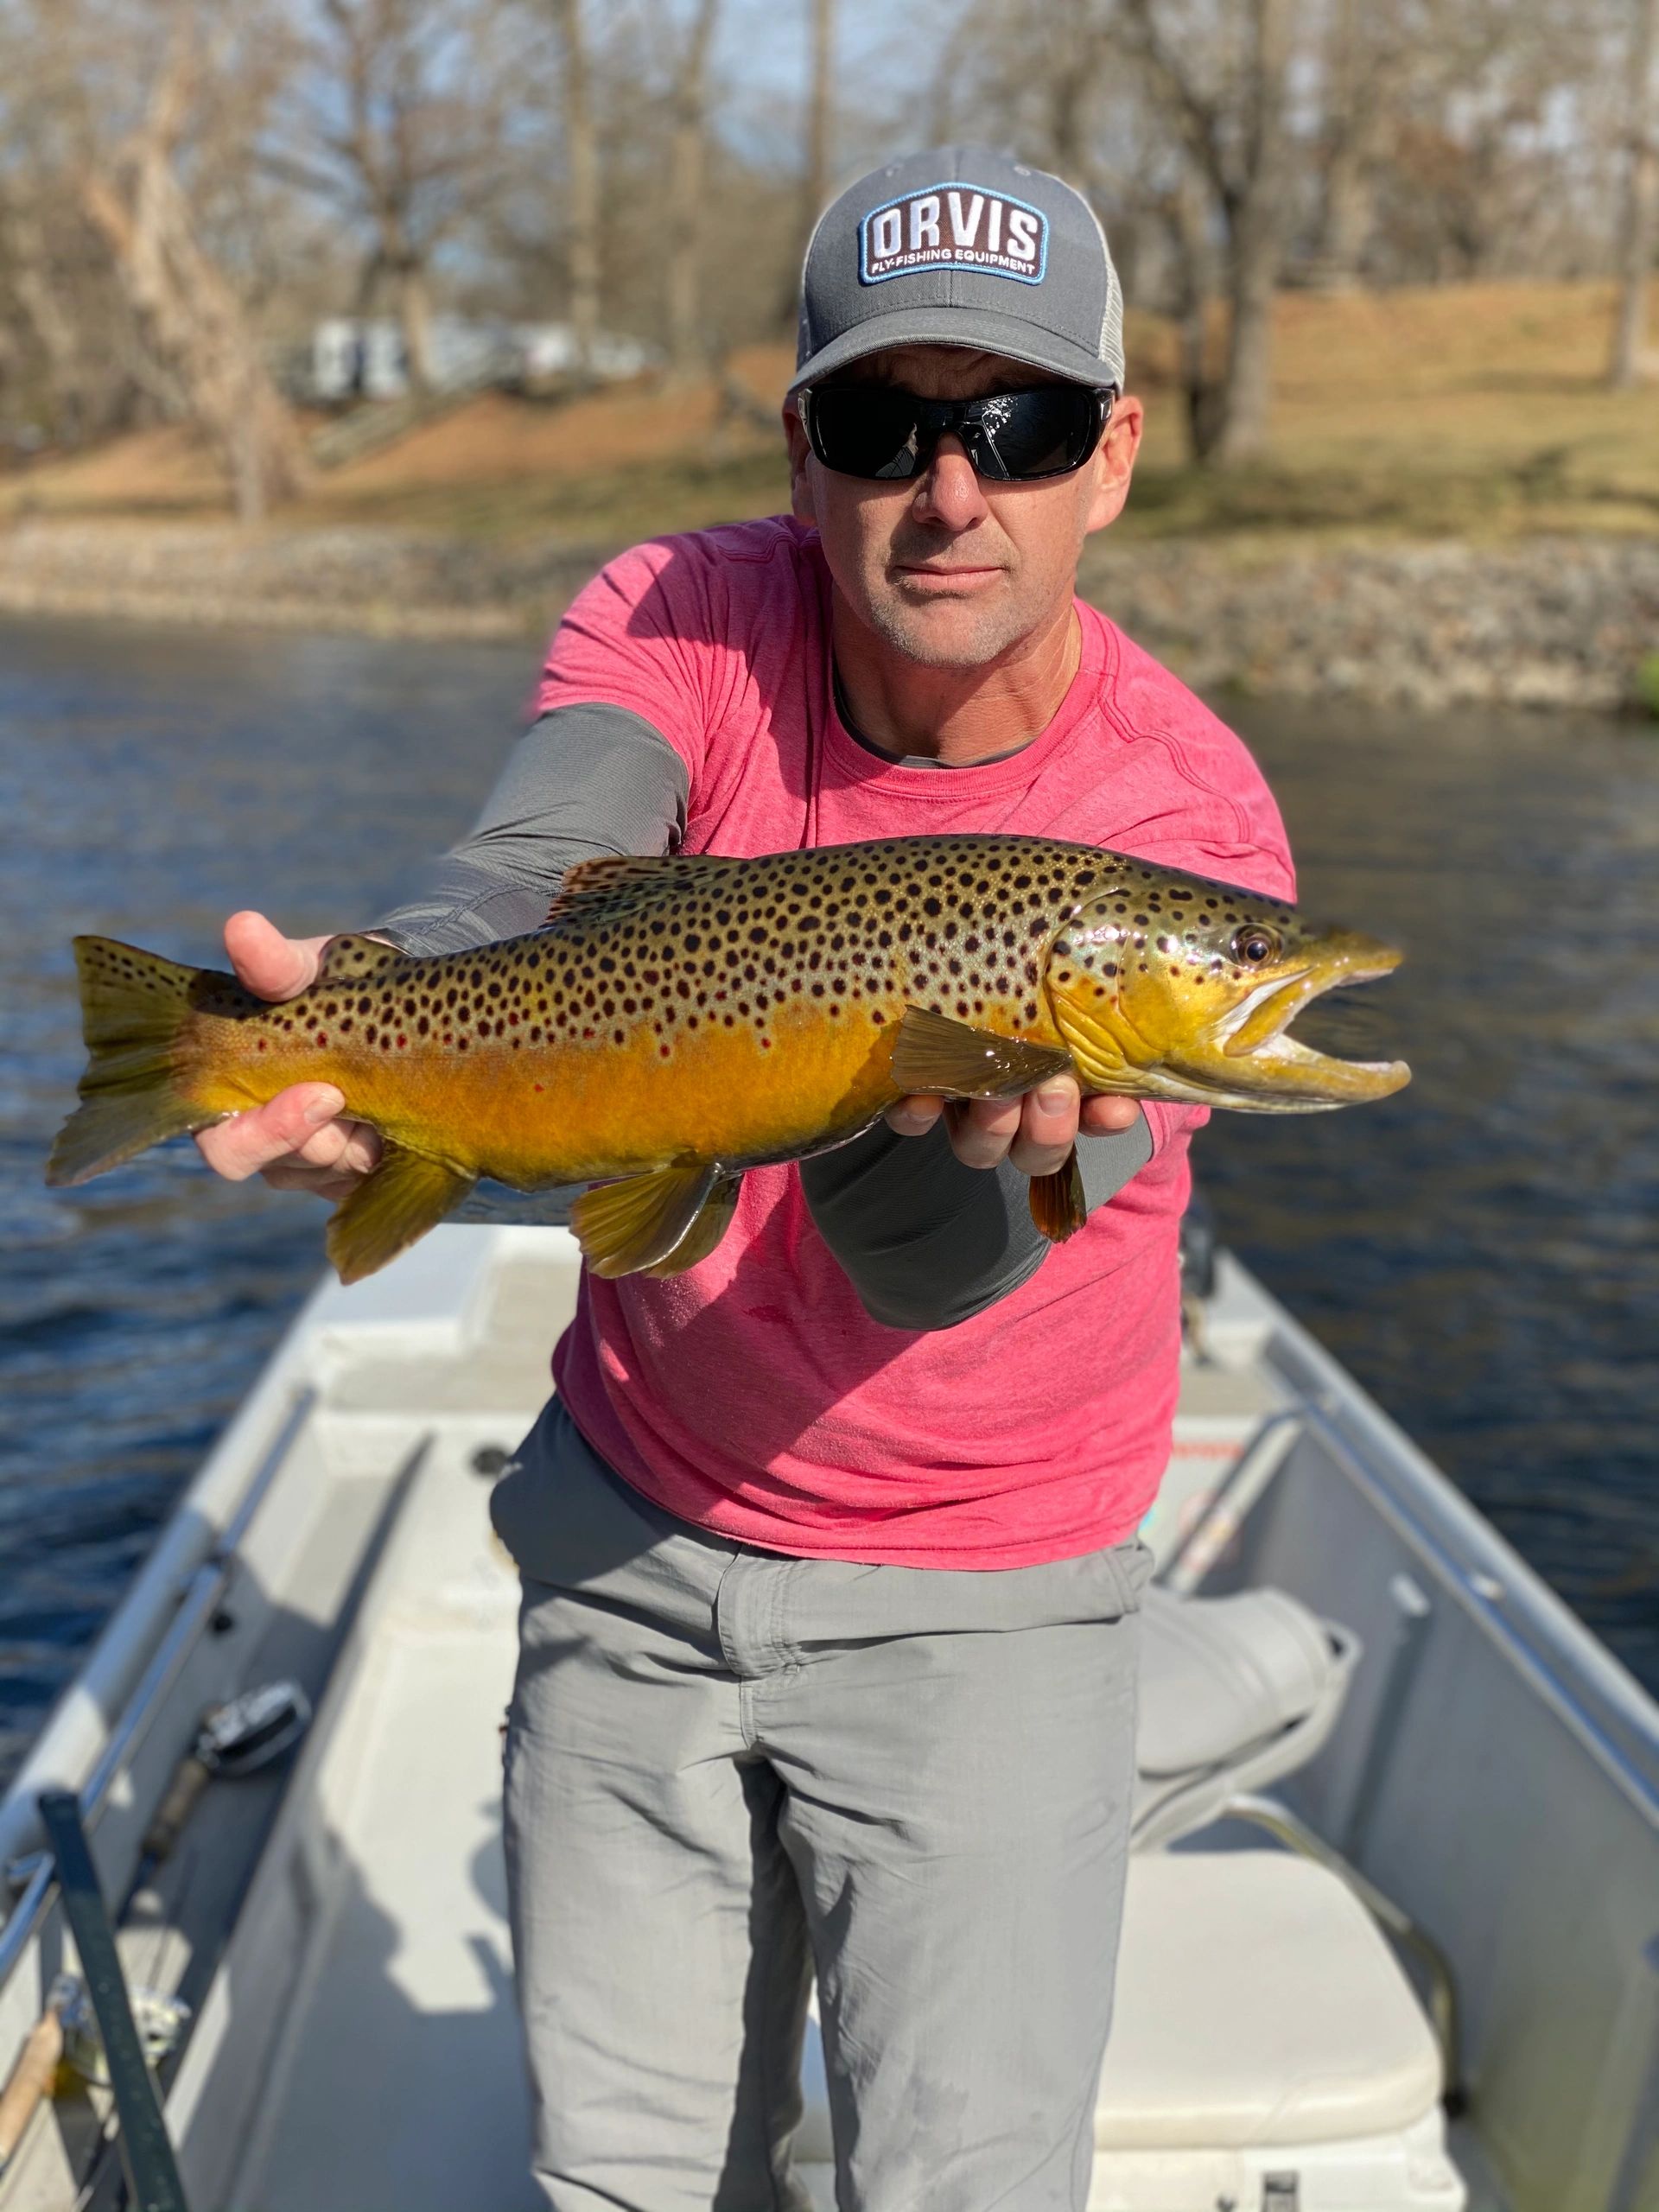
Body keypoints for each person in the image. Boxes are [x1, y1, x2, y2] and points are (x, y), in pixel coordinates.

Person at [199, 149, 1294, 2212]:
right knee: (625, 2182)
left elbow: (933, 1269)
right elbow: (537, 866)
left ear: (1114, 456)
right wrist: (370, 1009)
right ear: (807, 450)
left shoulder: (1187, 829)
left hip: (991, 1586)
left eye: (1019, 425)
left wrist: (943, 1123)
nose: (950, 490)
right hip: (634, 1528)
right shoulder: (679, 607)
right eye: (886, 425)